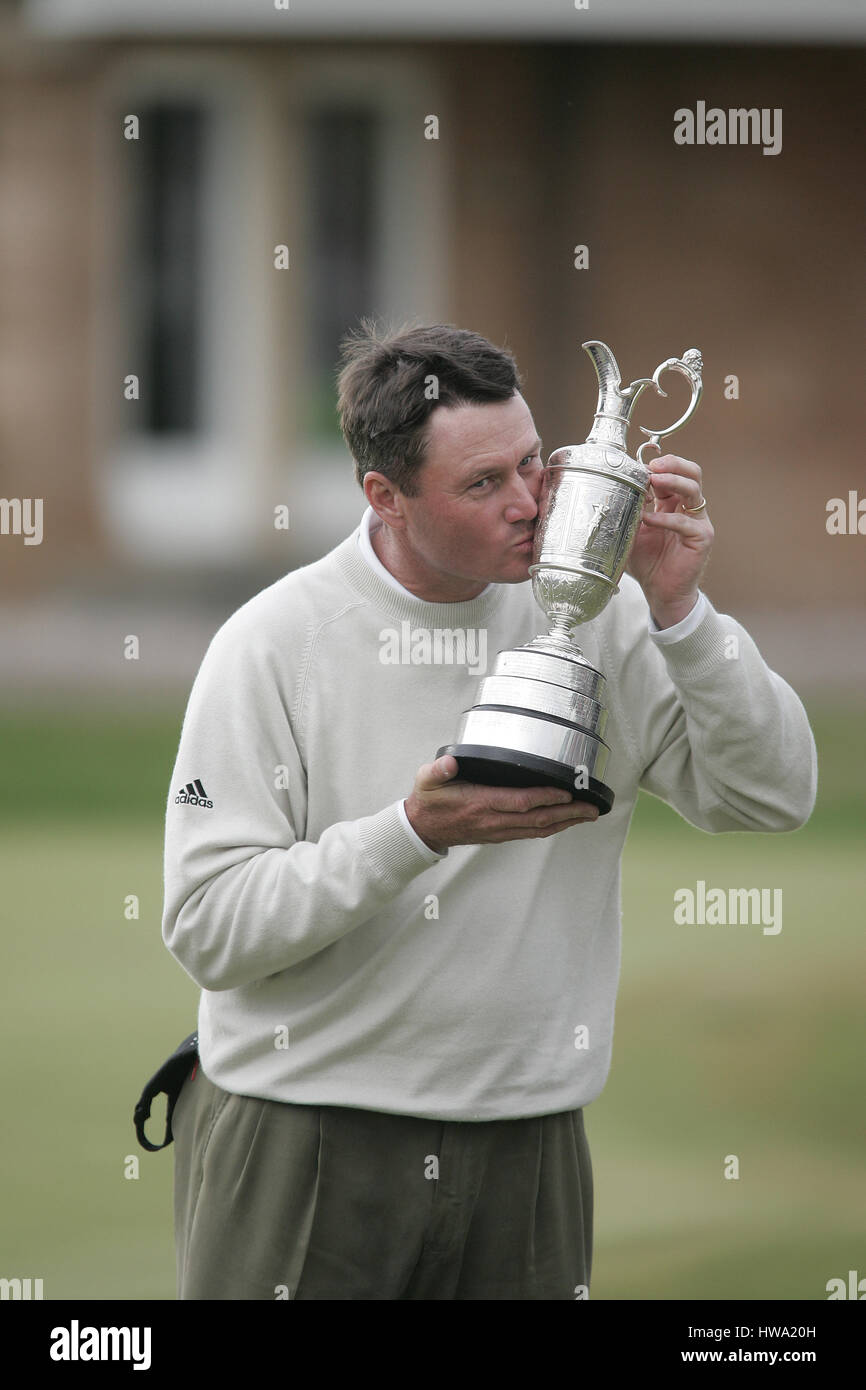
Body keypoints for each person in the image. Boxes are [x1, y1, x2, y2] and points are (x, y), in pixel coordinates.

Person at [162, 320, 816, 1300]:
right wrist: (411, 832)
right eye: (482, 484)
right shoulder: (272, 642)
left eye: (530, 463)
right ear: (384, 496)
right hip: (304, 1133)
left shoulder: (612, 613)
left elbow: (772, 793)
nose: (528, 503)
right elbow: (209, 927)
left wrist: (682, 612)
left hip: (531, 1143)